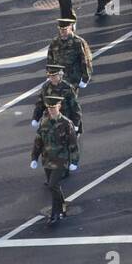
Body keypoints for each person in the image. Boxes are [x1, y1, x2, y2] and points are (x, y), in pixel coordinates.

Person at [31, 95, 79, 225]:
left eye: (54, 107)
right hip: (47, 159)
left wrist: (74, 161)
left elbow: (73, 144)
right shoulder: (44, 122)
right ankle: (62, 207)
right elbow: (38, 141)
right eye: (49, 108)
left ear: (59, 106)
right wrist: (34, 157)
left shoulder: (66, 123)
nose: (51, 110)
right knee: (54, 186)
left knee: (52, 185)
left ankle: (55, 213)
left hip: (61, 160)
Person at [46, 18, 93, 89]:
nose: (62, 31)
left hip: (73, 78)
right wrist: (49, 75)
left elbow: (86, 60)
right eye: (60, 29)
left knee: (70, 96)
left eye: (65, 29)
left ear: (70, 27)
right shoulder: (55, 41)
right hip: (58, 78)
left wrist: (85, 78)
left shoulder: (78, 42)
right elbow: (50, 59)